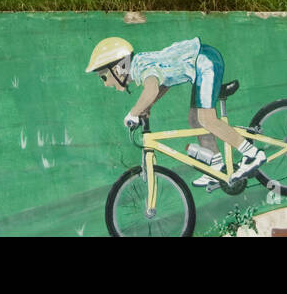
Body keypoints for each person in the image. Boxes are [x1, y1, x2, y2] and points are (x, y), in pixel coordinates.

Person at [85, 36, 264, 190]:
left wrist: (134, 112)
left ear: (118, 68)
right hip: (200, 66)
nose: (105, 83)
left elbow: (152, 89)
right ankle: (216, 166)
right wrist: (147, 107)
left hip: (205, 61)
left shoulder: (140, 66)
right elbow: (164, 84)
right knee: (194, 120)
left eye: (104, 77)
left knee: (206, 119)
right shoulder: (142, 67)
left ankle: (253, 154)